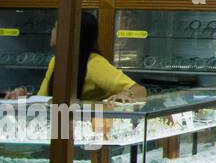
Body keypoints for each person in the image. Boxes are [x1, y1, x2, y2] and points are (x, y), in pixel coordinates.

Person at [7, 12, 145, 103]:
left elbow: (139, 90)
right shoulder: (56, 61)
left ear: (68, 33)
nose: (52, 31)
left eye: (55, 27)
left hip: (87, 130)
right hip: (60, 127)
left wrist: (126, 95)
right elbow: (44, 99)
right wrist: (22, 98)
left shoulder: (93, 63)